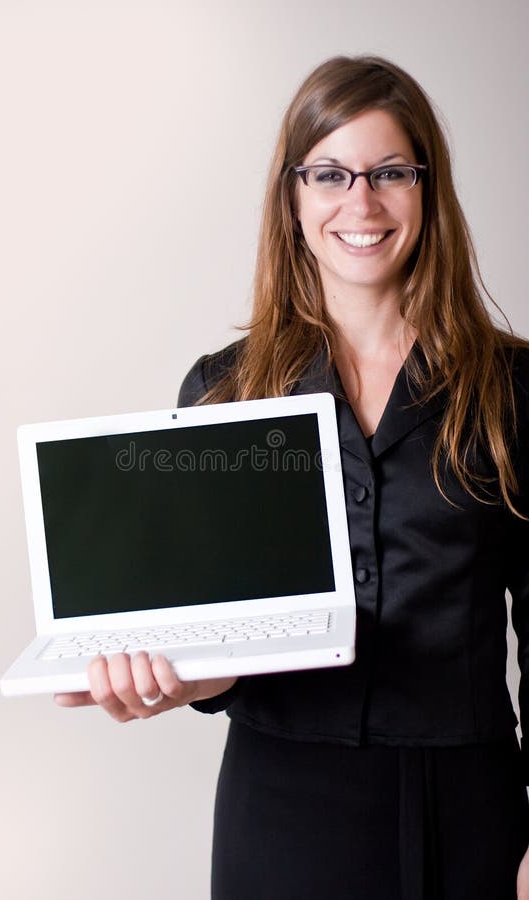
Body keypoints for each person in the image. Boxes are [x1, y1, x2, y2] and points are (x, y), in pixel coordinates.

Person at [55, 55, 529, 899]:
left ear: (427, 189)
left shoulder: (514, 390)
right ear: (294, 196)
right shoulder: (225, 391)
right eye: (331, 174)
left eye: (390, 172)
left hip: (469, 809)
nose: (362, 202)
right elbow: (213, 634)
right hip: (280, 812)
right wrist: (181, 679)